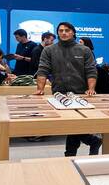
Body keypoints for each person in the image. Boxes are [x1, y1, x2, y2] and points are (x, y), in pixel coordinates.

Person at [36, 21, 101, 156]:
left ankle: (71, 154)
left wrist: (91, 89)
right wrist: (40, 89)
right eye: (61, 31)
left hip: (81, 94)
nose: (64, 33)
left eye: (67, 30)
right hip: (59, 94)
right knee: (72, 125)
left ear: (73, 32)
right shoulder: (49, 50)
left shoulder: (84, 50)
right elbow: (42, 70)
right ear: (58, 33)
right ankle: (91, 141)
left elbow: (91, 71)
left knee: (74, 125)